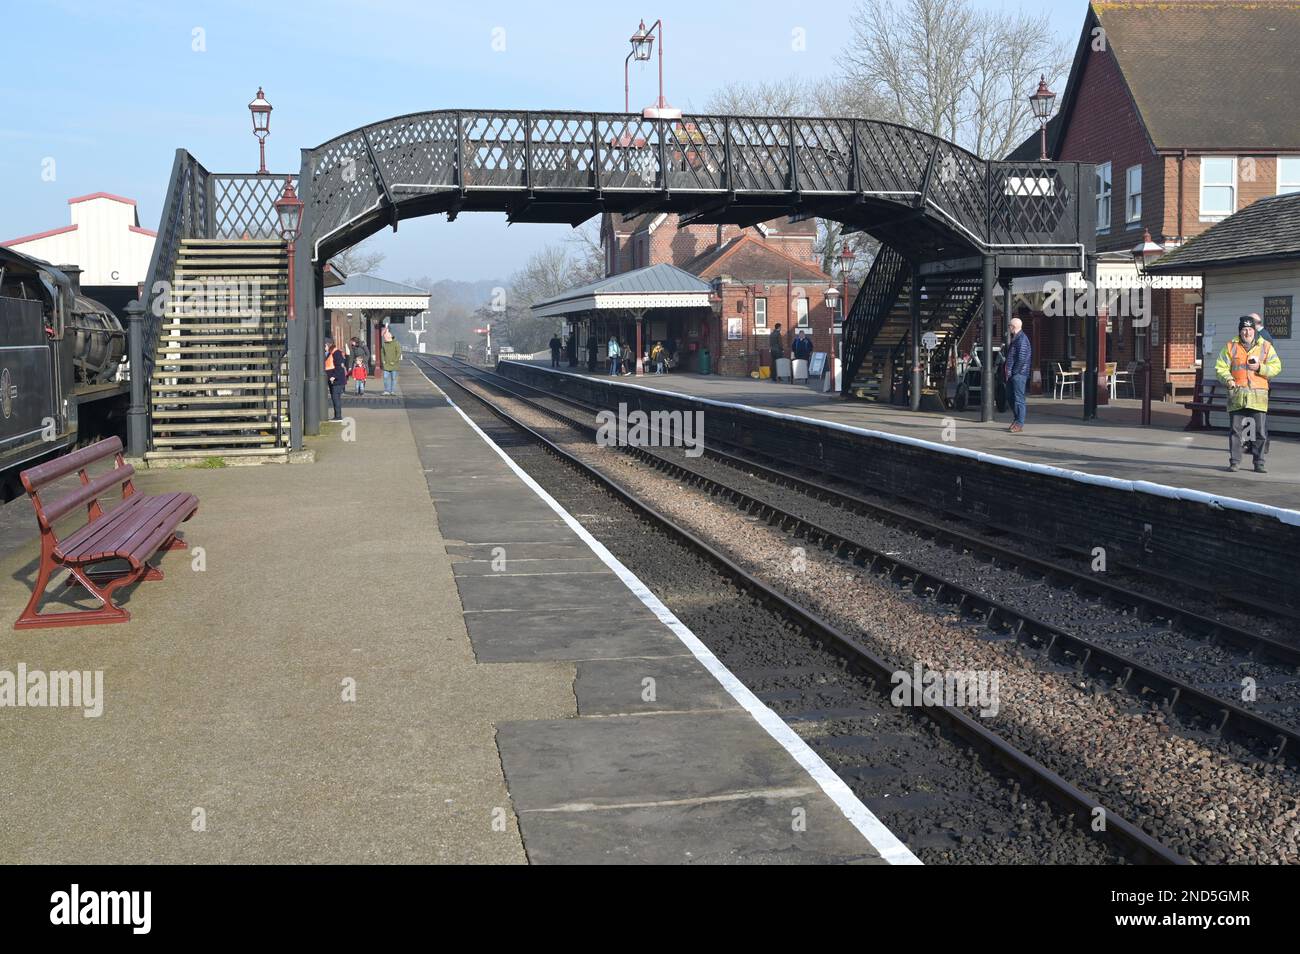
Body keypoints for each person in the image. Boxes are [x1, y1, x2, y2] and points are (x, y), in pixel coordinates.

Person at [1216, 315, 1282, 473]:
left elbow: (1276, 367)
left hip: (1258, 396)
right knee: (1235, 432)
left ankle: (1259, 463)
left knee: (1259, 432)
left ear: (1255, 330)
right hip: (1237, 395)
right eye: (1244, 329)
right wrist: (1228, 379)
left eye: (1250, 329)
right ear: (1240, 331)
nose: (1247, 332)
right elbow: (1220, 367)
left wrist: (1260, 367)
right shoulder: (1230, 346)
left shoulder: (1265, 346)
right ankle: (1235, 462)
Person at [1003, 316, 1032, 432]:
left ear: (1013, 327)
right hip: (1013, 374)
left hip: (1018, 374)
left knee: (1019, 399)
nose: (1008, 328)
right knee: (1010, 397)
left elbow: (1021, 358)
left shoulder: (1022, 339)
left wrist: (1014, 372)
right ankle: (1016, 420)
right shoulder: (1017, 338)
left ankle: (1019, 423)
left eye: (1009, 325)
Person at [324, 338, 347, 421]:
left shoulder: (336, 353)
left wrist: (334, 376)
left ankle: (338, 416)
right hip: (332, 380)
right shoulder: (330, 353)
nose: (324, 348)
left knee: (336, 398)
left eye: (325, 346)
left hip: (337, 380)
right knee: (335, 398)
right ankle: (337, 416)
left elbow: (339, 367)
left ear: (328, 345)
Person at [380, 327, 401, 395]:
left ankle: (392, 391)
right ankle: (386, 390)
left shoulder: (396, 343)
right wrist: (383, 360)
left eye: (385, 337)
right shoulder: (384, 344)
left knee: (393, 378)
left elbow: (398, 353)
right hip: (386, 364)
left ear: (389, 337)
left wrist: (394, 361)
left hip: (394, 365)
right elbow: (382, 352)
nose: (384, 338)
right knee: (385, 378)